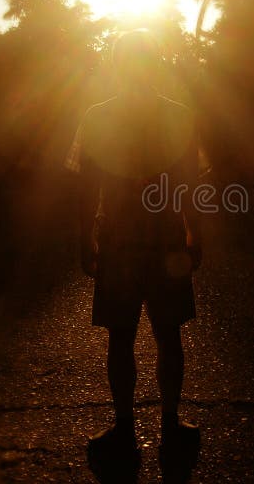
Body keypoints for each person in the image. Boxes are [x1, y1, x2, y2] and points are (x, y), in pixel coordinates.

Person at [65, 29, 202, 459]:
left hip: (119, 238)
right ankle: (170, 422)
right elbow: (190, 184)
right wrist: (195, 233)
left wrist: (85, 238)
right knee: (168, 334)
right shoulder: (178, 114)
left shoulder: (98, 116)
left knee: (121, 337)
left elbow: (87, 186)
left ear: (117, 64)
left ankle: (125, 425)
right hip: (164, 238)